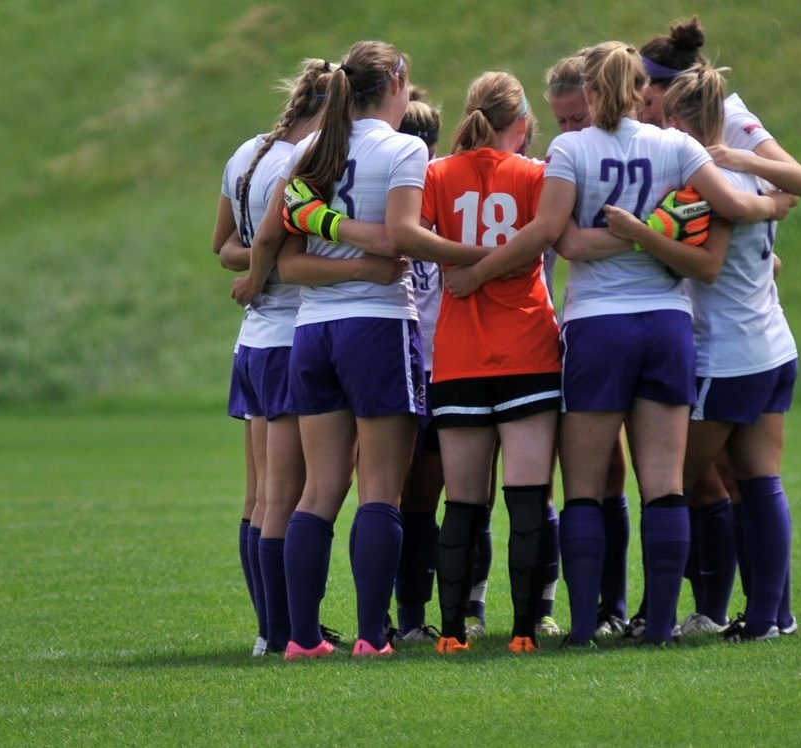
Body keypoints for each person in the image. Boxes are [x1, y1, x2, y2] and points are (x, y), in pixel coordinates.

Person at [445, 41, 794, 647]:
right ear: (639, 89)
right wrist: (775, 202)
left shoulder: (569, 149)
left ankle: (584, 628)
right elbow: (735, 207)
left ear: (592, 94)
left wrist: (478, 273)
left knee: (583, 485)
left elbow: (561, 240)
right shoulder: (677, 146)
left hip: (598, 326)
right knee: (664, 483)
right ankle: (658, 626)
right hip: (666, 323)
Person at [232, 40, 440, 659]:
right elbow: (404, 240)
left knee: (317, 491)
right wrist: (383, 267)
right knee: (380, 490)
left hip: (311, 334)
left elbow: (283, 258)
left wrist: (267, 272)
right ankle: (373, 638)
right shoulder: (405, 148)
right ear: (398, 81)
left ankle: (298, 639)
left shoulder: (306, 151)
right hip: (377, 329)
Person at [608, 62, 801, 642]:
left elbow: (707, 263)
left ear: (676, 120)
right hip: (771, 343)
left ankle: (657, 614)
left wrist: (638, 233)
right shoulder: (747, 176)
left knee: (670, 485)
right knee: (758, 480)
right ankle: (772, 617)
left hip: (725, 355)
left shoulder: (709, 182)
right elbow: (761, 229)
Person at [405, 71, 563, 655]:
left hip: (459, 358)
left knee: (464, 504)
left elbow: (409, 240)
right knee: (528, 500)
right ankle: (524, 632)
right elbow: (555, 238)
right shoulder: (537, 173)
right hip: (528, 348)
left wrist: (462, 266)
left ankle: (451, 633)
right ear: (521, 123)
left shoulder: (435, 174)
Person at [543, 49, 632, 639]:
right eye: (561, 121)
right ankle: (560, 607)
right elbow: (553, 245)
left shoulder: (612, 158)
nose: (570, 130)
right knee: (566, 473)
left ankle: (612, 607)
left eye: (577, 117)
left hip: (605, 323)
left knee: (612, 472)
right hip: (558, 331)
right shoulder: (556, 166)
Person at [390, 92, 446, 643]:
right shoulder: (385, 197)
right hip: (409, 363)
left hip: (437, 366)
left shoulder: (448, 195)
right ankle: (391, 618)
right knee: (399, 499)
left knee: (419, 502)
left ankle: (409, 618)